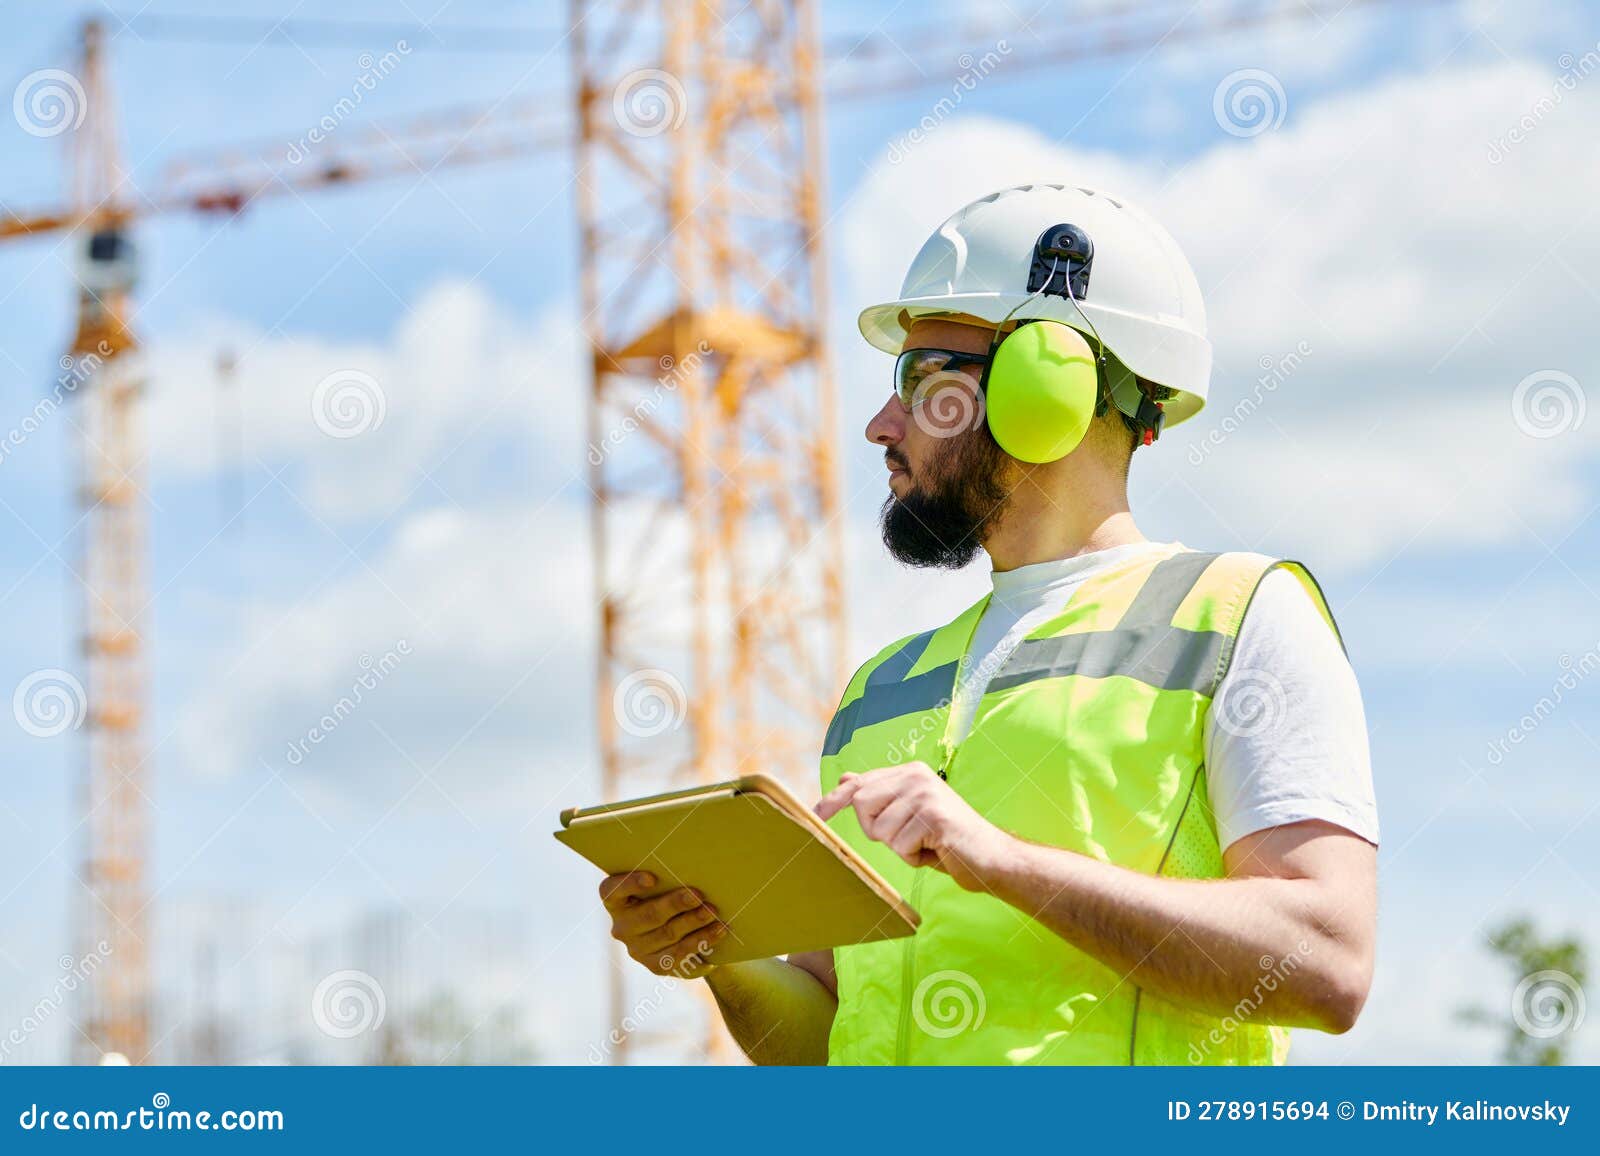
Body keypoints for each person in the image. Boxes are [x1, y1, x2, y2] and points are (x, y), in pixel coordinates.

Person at [598, 183, 1378, 1065]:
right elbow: (830, 1037)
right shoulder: (881, 690)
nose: (879, 425)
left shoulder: (1237, 615)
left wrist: (1000, 860)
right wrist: (718, 958)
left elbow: (1328, 960)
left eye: (922, 376)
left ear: (1049, 378)